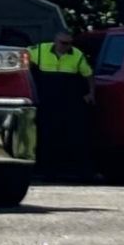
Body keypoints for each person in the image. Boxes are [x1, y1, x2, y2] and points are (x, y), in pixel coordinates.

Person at [28, 30, 94, 175]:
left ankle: (62, 168)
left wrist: (90, 93)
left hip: (66, 100)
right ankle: (42, 167)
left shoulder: (77, 55)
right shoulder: (40, 50)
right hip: (45, 99)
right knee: (43, 133)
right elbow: (21, 57)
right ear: (55, 41)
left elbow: (88, 75)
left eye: (69, 44)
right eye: (63, 43)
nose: (66, 47)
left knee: (64, 133)